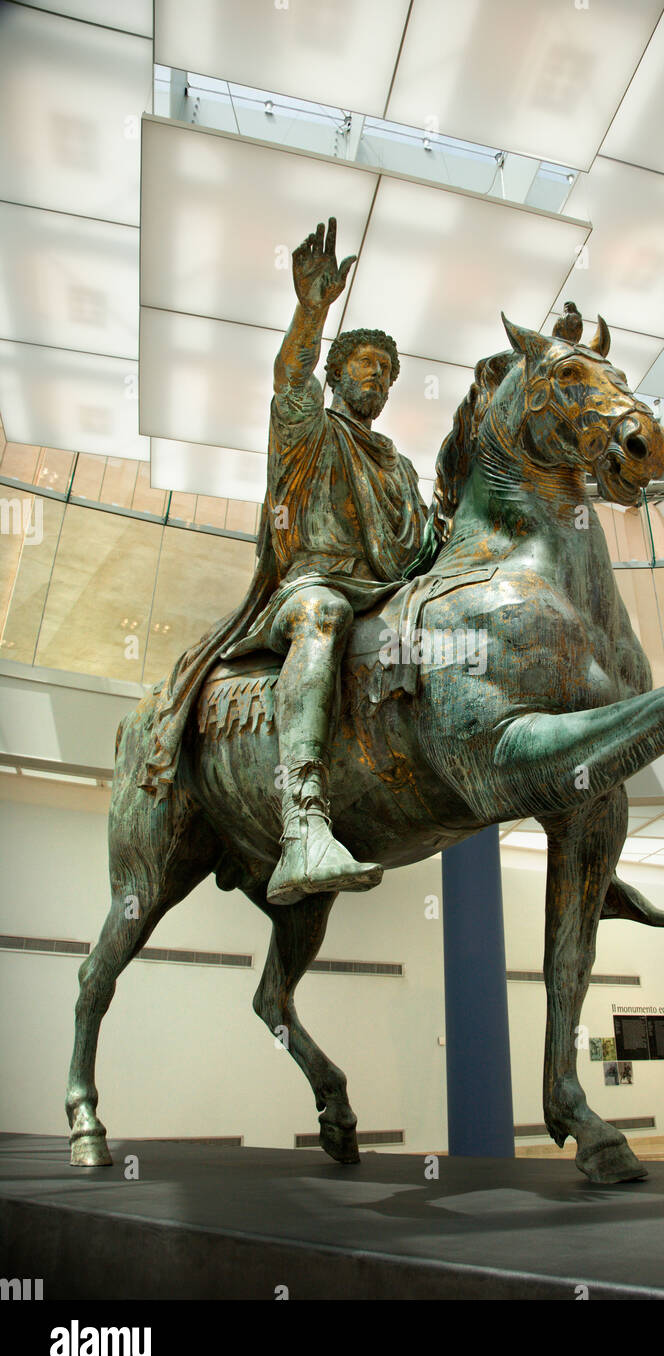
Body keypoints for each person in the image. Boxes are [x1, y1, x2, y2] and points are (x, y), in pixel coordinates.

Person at [141, 217, 428, 904]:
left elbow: (420, 548)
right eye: (369, 367)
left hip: (386, 595)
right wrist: (311, 310)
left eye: (389, 374)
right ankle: (303, 820)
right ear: (337, 374)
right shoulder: (308, 429)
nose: (381, 381)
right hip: (311, 589)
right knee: (323, 611)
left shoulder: (400, 466)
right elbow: (288, 375)